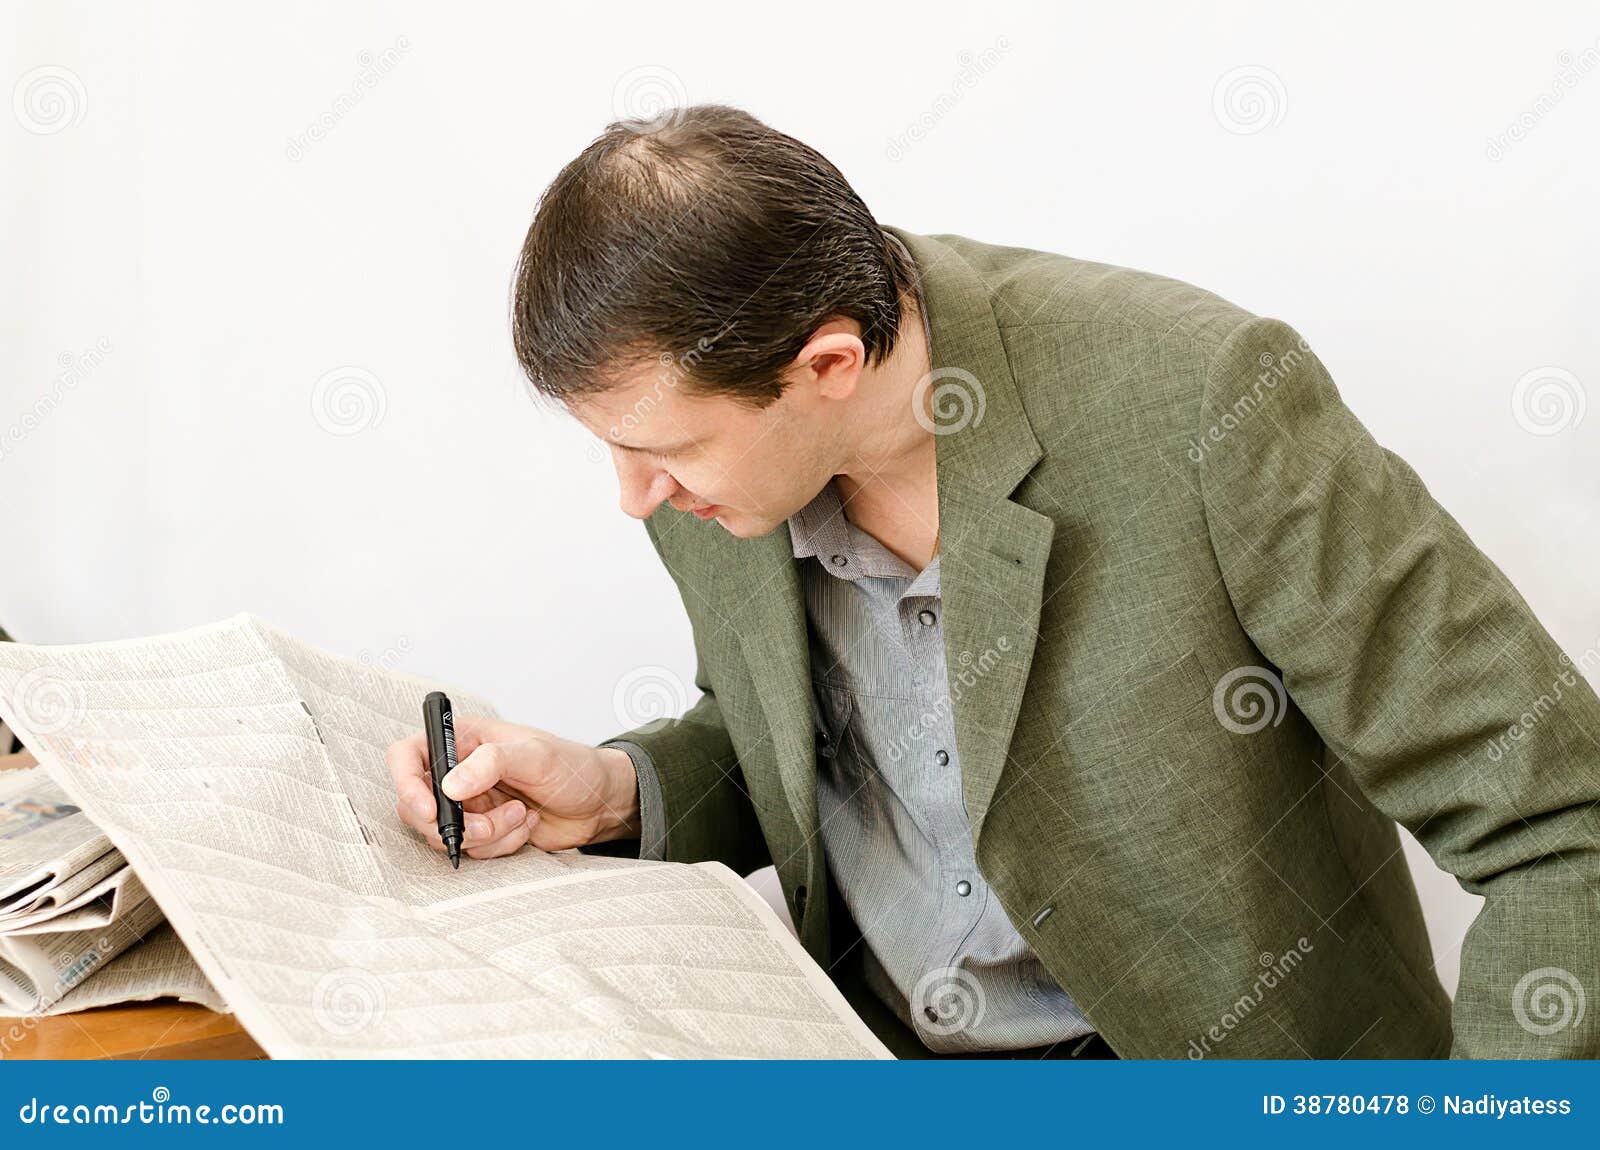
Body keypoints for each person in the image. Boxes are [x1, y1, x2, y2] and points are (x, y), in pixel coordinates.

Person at [387, 105, 1599, 1059]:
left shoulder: (1206, 404)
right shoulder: (719, 472)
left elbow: (1561, 827)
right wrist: (610, 791)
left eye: (660, 451)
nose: (632, 496)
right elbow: (827, 741)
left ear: (825, 364)